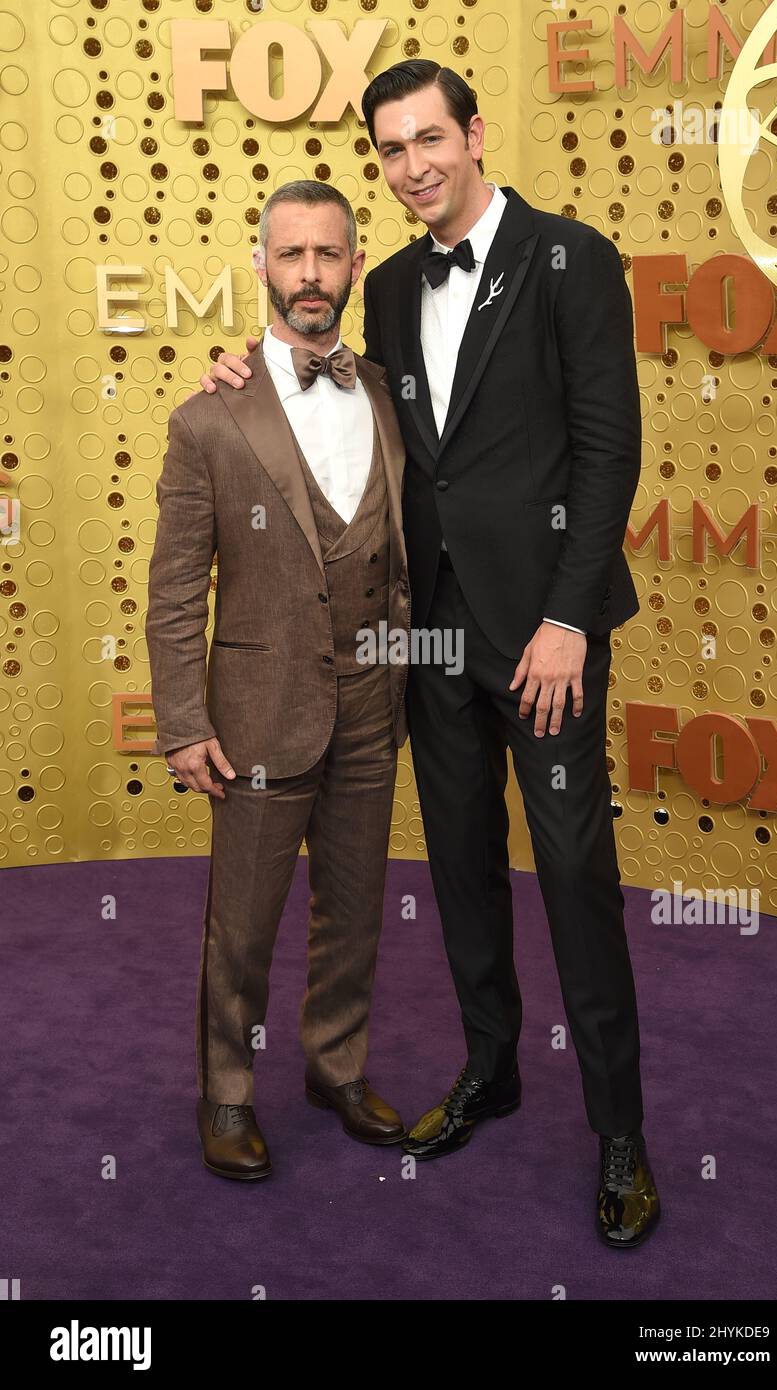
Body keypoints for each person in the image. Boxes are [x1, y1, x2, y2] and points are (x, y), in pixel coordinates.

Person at [200, 61, 660, 1248]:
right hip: (432, 639)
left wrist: (567, 621)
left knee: (571, 875)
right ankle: (490, 1071)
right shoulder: (389, 285)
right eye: (392, 150)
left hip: (545, 638)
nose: (413, 167)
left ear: (473, 134)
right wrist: (233, 372)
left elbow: (609, 453)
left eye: (429, 140)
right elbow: (325, 392)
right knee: (459, 867)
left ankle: (621, 1133)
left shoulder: (572, 258)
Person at [147, 180, 412, 1181]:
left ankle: (335, 1067)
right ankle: (226, 1090)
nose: (310, 274)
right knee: (243, 920)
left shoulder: (385, 396)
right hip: (258, 712)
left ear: (353, 263)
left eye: (328, 255)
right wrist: (182, 720)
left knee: (355, 905)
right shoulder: (208, 418)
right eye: (290, 254)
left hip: (371, 702)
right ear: (262, 265)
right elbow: (175, 589)